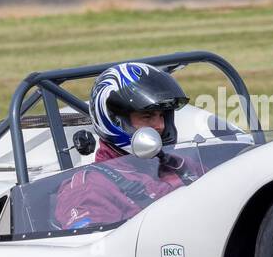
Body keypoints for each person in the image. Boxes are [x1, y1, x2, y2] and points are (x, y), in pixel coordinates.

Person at [54, 62, 202, 230]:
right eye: (147, 116)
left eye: (162, 116)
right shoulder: (89, 188)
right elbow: (95, 250)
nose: (160, 125)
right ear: (115, 120)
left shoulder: (179, 165)